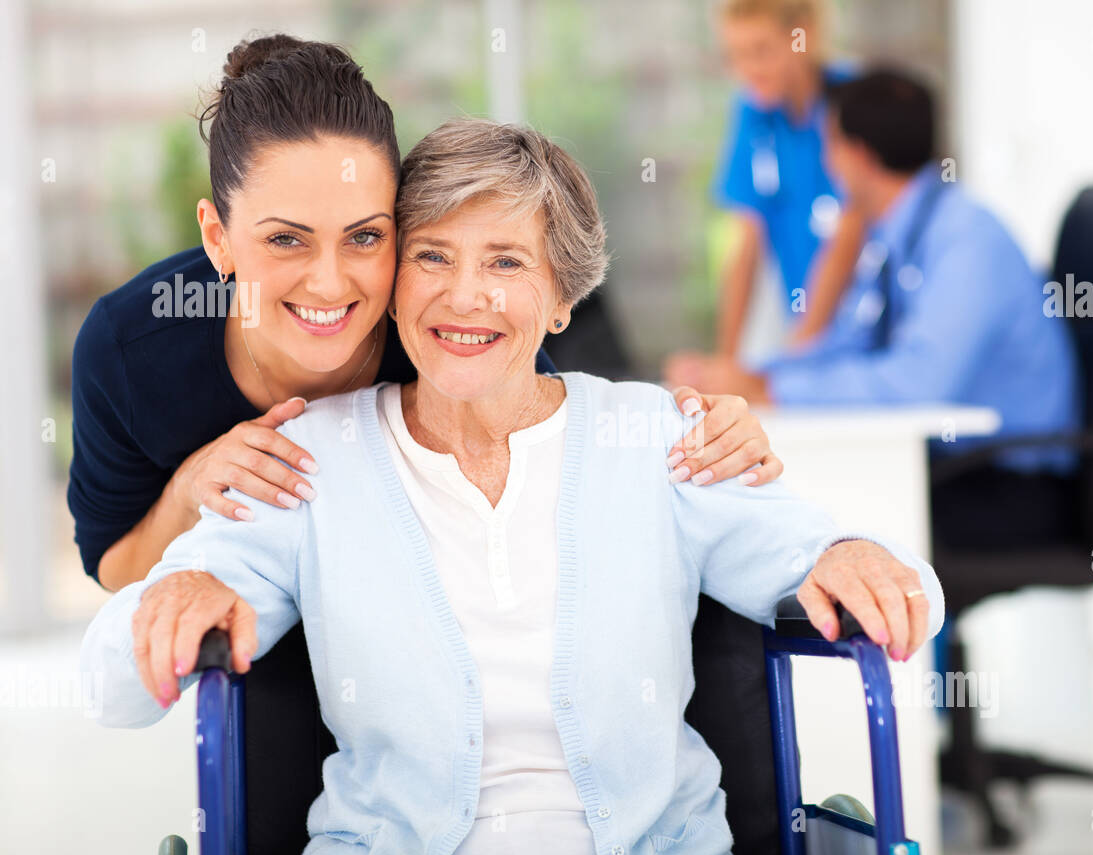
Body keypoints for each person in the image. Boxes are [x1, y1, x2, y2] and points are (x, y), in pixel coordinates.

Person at [80, 117, 945, 855]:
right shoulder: (311, 458)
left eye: (505, 260)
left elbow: (893, 587)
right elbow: (115, 683)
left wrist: (850, 555)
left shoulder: (656, 439)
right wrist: (177, 593)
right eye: (432, 256)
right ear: (393, 288)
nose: (467, 295)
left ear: (562, 299)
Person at [68, 35, 785, 594]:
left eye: (366, 236)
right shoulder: (129, 351)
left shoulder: (441, 326)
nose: (327, 283)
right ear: (217, 237)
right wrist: (192, 491)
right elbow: (114, 569)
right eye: (285, 238)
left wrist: (697, 446)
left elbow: (567, 465)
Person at [667, 70, 1083, 521]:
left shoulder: (967, 240)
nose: (828, 165)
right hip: (957, 465)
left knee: (801, 517)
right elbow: (854, 340)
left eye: (830, 146)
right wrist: (746, 375)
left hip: (1011, 483)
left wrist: (773, 390)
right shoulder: (901, 232)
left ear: (858, 155)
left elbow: (917, 384)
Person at [664, 0, 864, 380]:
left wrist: (797, 354)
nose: (748, 70)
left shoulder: (854, 99)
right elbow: (747, 243)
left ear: (805, 35)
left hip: (858, 330)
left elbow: (849, 235)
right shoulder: (753, 112)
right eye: (735, 55)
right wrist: (725, 364)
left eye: (761, 51)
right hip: (803, 332)